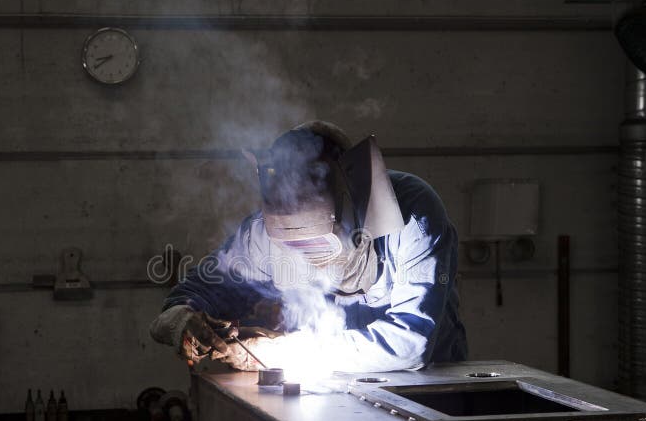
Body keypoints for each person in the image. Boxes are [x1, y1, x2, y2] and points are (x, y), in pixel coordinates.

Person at [150, 121, 467, 373]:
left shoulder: (410, 213)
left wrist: (277, 352)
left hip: (425, 389)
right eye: (292, 244)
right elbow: (193, 296)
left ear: (350, 195)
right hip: (322, 389)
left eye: (317, 241)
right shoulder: (263, 234)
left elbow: (410, 344)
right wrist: (181, 320)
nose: (306, 254)